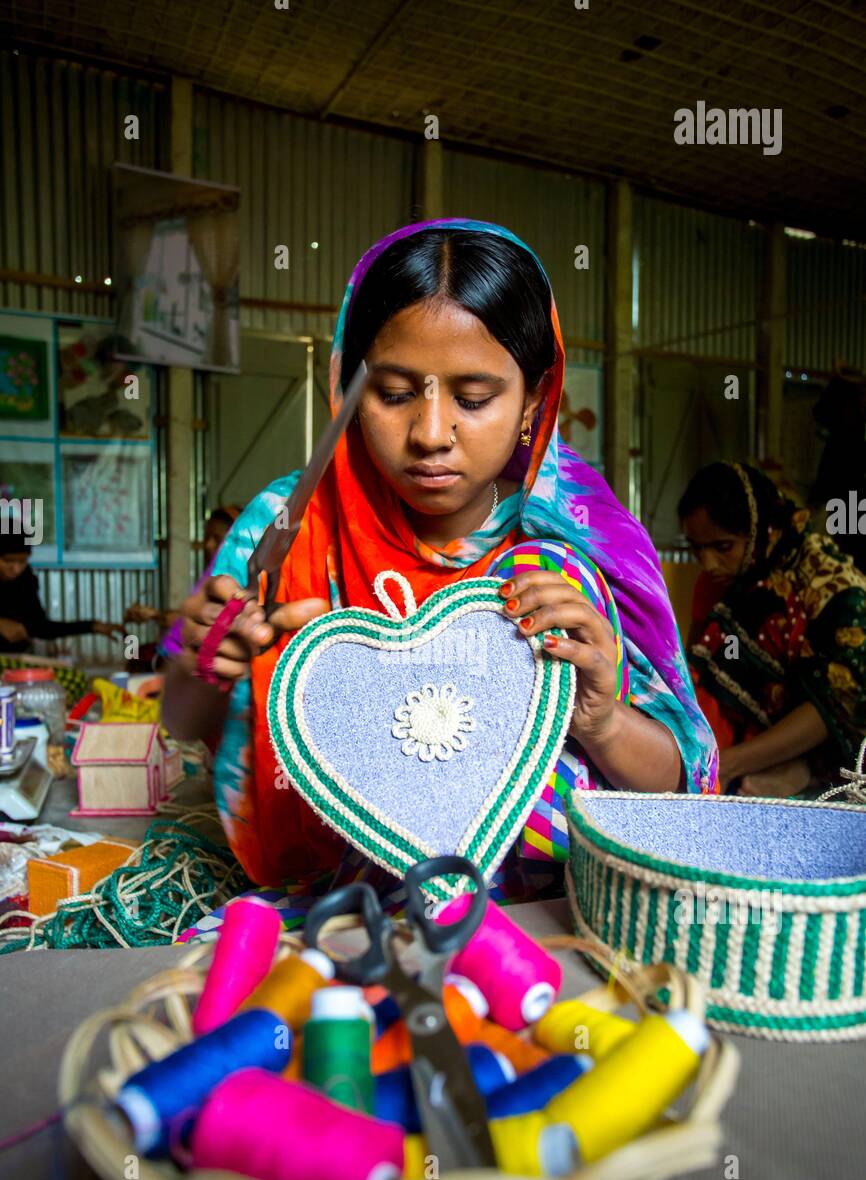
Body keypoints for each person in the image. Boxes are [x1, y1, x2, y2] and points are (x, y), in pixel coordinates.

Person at [164, 219, 717, 897]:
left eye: (474, 398)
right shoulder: (287, 526)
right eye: (394, 393)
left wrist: (604, 723)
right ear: (347, 385)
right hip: (341, 906)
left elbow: (679, 788)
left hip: (539, 923)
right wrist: (205, 665)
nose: (431, 434)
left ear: (533, 403)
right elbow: (182, 723)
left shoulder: (579, 547)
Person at [679, 460, 866, 798]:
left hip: (828, 745)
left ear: (761, 531)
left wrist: (729, 763)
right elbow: (693, 674)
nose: (707, 564)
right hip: (736, 745)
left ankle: (808, 771)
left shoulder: (833, 587)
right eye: (696, 548)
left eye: (722, 547)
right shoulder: (723, 583)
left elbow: (838, 704)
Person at [124, 507, 241, 645]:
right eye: (206, 537)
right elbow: (193, 616)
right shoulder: (212, 577)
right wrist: (155, 615)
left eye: (217, 539)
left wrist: (155, 615)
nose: (208, 545)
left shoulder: (237, 583)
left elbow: (196, 622)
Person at [0, 532, 122, 653]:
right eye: (8, 561)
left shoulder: (25, 580)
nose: (16, 569)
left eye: (22, 561)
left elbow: (39, 627)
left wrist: (92, 626)